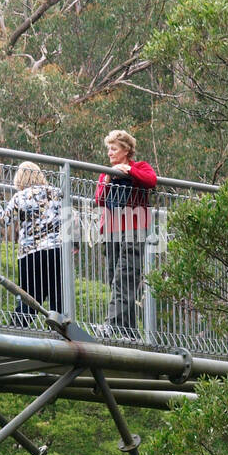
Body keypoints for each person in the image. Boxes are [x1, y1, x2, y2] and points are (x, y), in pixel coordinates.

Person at [0, 162, 64, 327]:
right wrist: (73, 244)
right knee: (58, 297)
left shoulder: (21, 196)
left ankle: (16, 330)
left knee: (29, 297)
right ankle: (61, 332)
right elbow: (69, 218)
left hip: (30, 254)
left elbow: (4, 219)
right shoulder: (56, 193)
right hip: (55, 251)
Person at [94, 129, 157, 336]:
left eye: (114, 149)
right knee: (115, 279)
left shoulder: (139, 167)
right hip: (111, 232)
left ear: (126, 150)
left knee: (126, 277)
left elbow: (151, 180)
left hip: (134, 229)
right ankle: (130, 333)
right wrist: (110, 179)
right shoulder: (107, 173)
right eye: (109, 149)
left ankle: (111, 325)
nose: (110, 153)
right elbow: (99, 200)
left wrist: (128, 171)